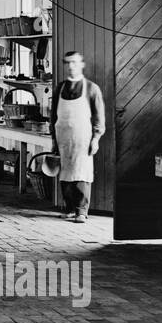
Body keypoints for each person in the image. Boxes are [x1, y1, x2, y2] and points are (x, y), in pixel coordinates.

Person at [51, 51, 106, 223]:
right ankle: (68, 208)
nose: (71, 66)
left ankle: (81, 211)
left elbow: (99, 117)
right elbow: (54, 115)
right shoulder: (60, 88)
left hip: (82, 137)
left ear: (81, 64)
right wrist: (53, 138)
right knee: (65, 173)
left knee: (81, 173)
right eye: (67, 63)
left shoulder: (91, 88)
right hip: (63, 137)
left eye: (74, 62)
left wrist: (96, 138)